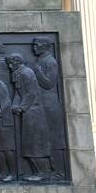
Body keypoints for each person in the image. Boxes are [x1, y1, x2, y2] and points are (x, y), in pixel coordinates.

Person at [8, 53, 53, 181]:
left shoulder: (26, 73)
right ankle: (37, 172)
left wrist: (21, 107)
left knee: (36, 143)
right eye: (8, 64)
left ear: (18, 62)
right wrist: (14, 105)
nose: (10, 66)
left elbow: (31, 93)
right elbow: (18, 93)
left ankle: (45, 173)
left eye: (11, 63)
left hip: (34, 112)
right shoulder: (16, 73)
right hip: (27, 112)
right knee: (28, 144)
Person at [32, 37, 65, 173]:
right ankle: (48, 169)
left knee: (54, 138)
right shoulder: (40, 60)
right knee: (44, 137)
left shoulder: (50, 61)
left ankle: (60, 170)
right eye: (34, 45)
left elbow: (49, 83)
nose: (34, 47)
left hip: (50, 104)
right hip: (40, 103)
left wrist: (37, 71)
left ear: (45, 46)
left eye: (37, 45)